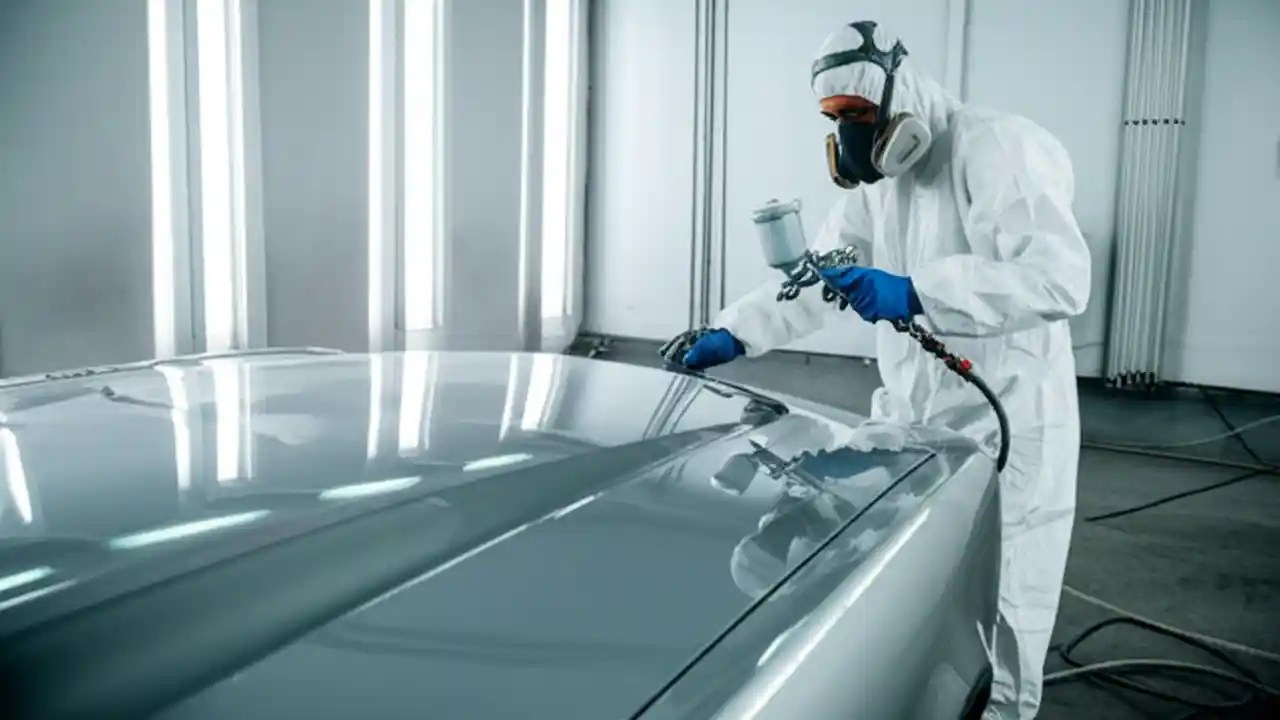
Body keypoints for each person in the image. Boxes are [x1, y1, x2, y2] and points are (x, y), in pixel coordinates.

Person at [674, 20, 1091, 720]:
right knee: (909, 584)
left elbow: (1059, 280)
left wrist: (919, 290)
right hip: (912, 417)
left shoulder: (997, 147)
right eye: (835, 118)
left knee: (1006, 598)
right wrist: (734, 331)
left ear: (903, 97)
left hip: (1010, 419)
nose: (850, 135)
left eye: (860, 114)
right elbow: (819, 280)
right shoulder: (876, 189)